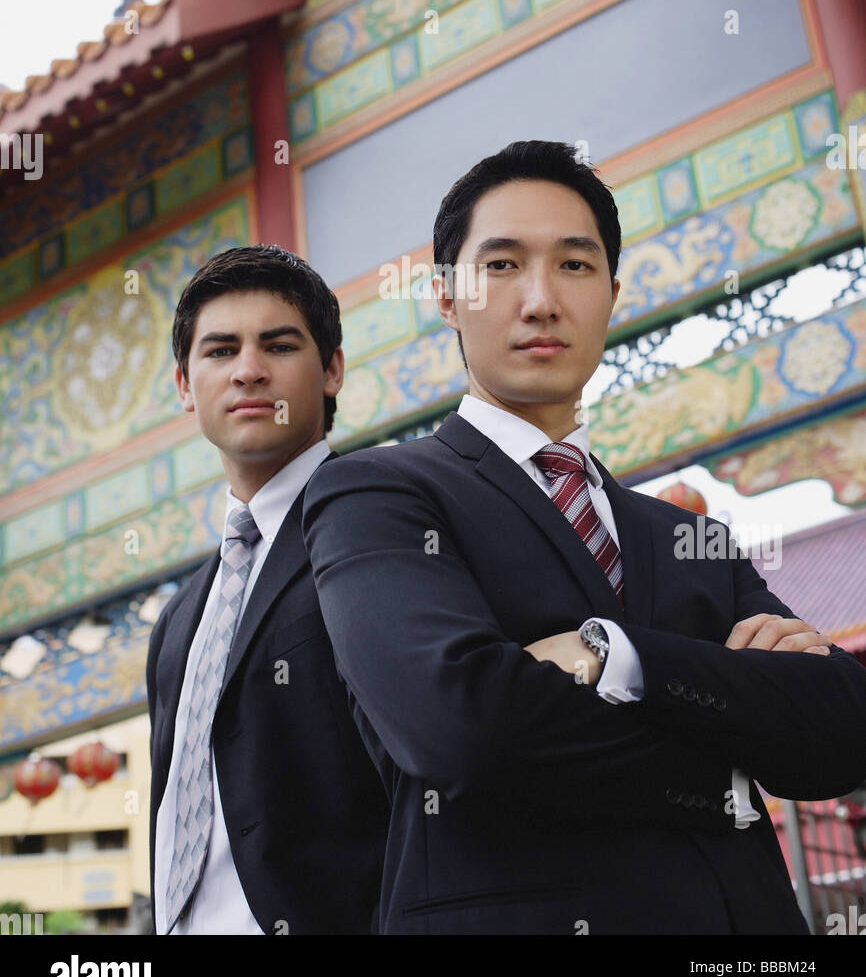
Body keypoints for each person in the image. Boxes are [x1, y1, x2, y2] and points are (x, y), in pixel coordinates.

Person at [302, 139, 866, 935]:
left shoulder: (682, 535)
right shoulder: (377, 495)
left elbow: (841, 728)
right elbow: (461, 727)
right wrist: (729, 749)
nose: (540, 300)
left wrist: (611, 656)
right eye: (501, 266)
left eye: (574, 265)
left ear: (612, 292)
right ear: (445, 296)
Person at [146, 245, 388, 935]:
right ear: (186, 387)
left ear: (332, 369)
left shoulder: (389, 518)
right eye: (220, 351)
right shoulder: (179, 620)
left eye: (277, 345)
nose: (248, 370)